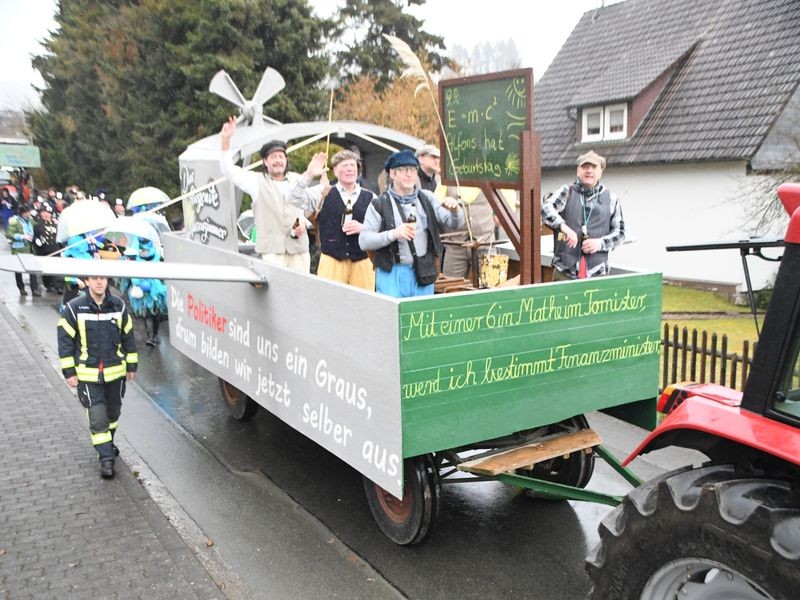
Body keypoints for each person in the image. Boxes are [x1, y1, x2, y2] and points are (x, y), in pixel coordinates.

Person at [57, 275, 138, 478]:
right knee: (98, 417)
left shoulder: (118, 306)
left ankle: (107, 444)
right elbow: (65, 340)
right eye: (94, 279)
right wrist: (69, 372)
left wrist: (131, 365)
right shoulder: (75, 308)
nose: (99, 282)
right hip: (88, 375)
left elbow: (128, 336)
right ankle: (106, 459)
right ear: (87, 282)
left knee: (112, 414)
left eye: (102, 278)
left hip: (116, 373)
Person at [359, 149, 464, 298]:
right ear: (393, 174)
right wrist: (393, 234)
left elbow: (455, 223)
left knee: (423, 319)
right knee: (392, 319)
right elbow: (364, 241)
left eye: (413, 170)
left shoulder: (427, 198)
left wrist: (455, 210)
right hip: (391, 274)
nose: (409, 174)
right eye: (403, 170)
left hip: (424, 271)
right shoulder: (379, 204)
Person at [219, 116, 310, 272]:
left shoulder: (298, 179)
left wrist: (303, 224)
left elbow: (308, 207)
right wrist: (226, 140)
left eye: (281, 157)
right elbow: (228, 169)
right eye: (273, 157)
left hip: (299, 250)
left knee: (302, 292)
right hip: (272, 253)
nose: (277, 161)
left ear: (286, 160)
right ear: (266, 162)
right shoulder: (255, 181)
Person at [289, 149, 376, 290]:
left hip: (363, 261)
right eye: (344, 166)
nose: (349, 169)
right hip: (331, 260)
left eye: (352, 165)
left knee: (365, 305)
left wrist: (363, 228)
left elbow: (381, 229)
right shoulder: (322, 192)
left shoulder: (371, 197)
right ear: (335, 171)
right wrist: (309, 175)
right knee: (329, 304)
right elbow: (293, 199)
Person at [541, 150, 625, 280]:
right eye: (585, 167)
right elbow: (546, 208)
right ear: (578, 171)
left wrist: (600, 244)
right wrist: (563, 227)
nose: (589, 171)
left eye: (594, 167)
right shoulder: (566, 191)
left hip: (597, 274)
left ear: (600, 172)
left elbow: (620, 233)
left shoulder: (612, 199)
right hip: (565, 272)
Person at [440, 188, 497, 279]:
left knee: (491, 288)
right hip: (455, 246)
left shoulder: (491, 175)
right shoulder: (450, 175)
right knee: (451, 288)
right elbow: (435, 203)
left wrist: (496, 215)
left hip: (486, 244)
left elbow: (508, 193)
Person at [6, 204, 40, 296]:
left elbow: (38, 225)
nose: (29, 214)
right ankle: (21, 288)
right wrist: (22, 236)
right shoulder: (15, 221)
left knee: (32, 269)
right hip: (18, 248)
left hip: (29, 248)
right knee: (18, 269)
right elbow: (8, 234)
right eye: (27, 212)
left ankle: (34, 289)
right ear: (22, 213)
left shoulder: (31, 220)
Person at [33, 207, 63, 293]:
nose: (46, 215)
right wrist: (37, 241)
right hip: (44, 250)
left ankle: (58, 286)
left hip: (55, 249)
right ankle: (48, 285)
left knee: (56, 269)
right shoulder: (38, 225)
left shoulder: (55, 224)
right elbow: (35, 236)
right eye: (45, 212)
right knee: (46, 269)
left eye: (48, 213)